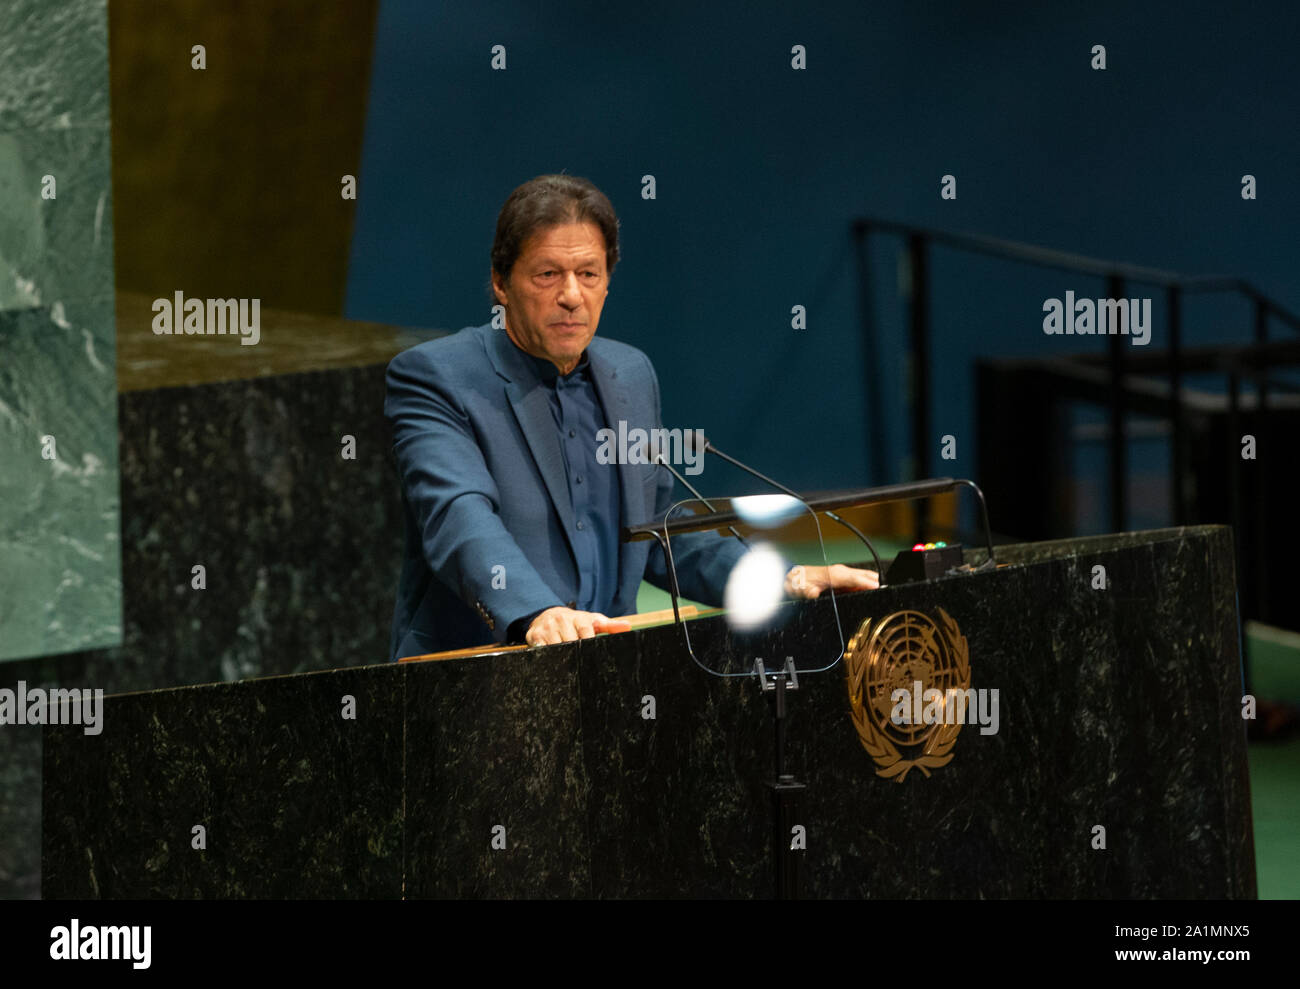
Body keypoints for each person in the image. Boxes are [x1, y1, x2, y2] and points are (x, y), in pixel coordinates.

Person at [385, 174, 876, 660]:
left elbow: (661, 532)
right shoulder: (438, 377)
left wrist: (782, 579)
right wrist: (538, 613)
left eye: (589, 274)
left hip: (611, 672)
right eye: (547, 274)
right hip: (474, 678)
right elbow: (459, 516)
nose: (571, 295)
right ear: (501, 282)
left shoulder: (630, 373)